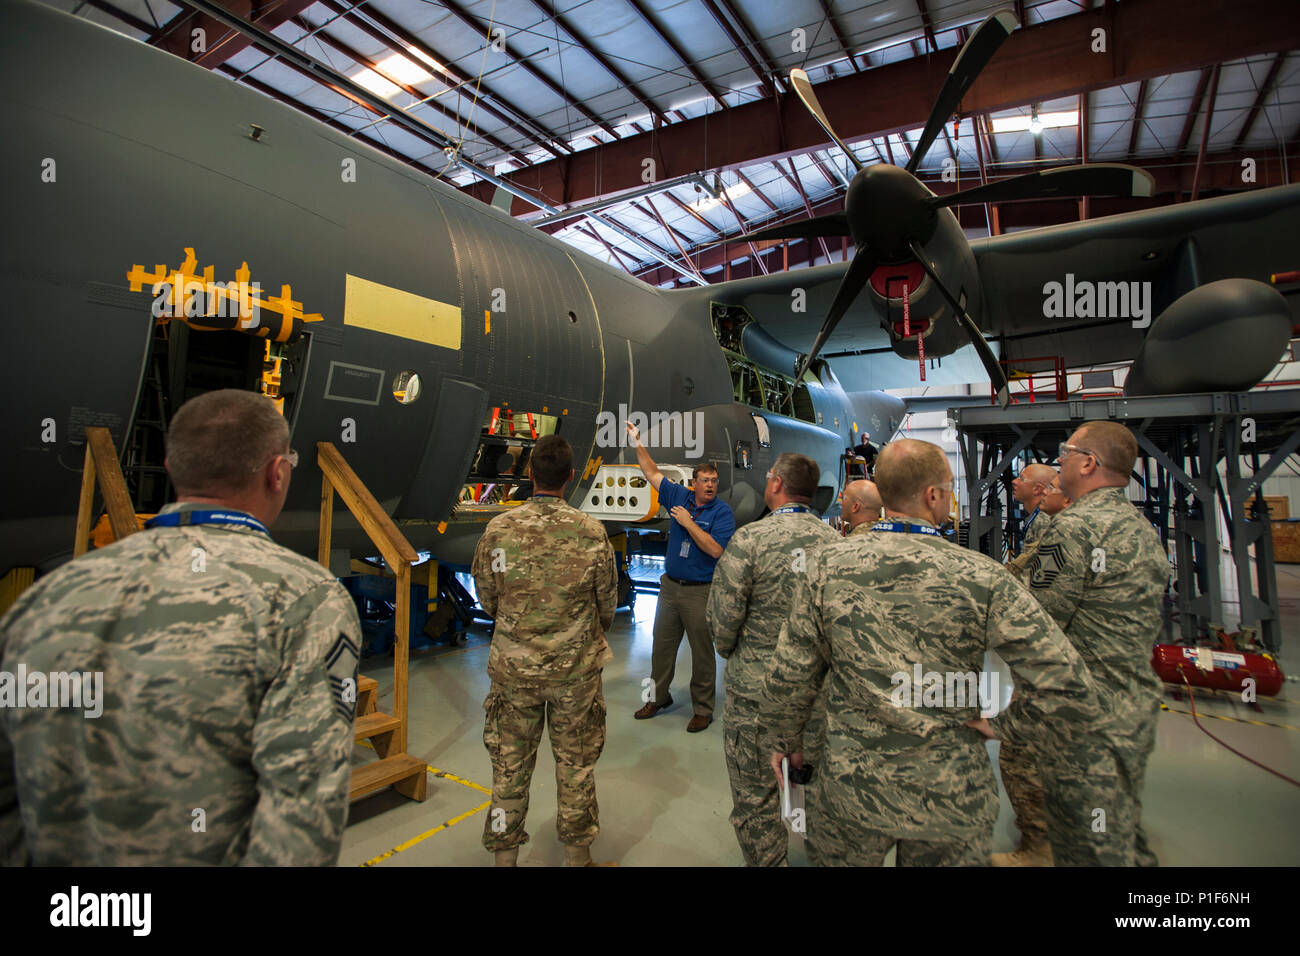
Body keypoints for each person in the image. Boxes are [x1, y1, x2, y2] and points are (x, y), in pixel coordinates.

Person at [0, 389, 361, 866]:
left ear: (171, 469)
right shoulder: (305, 600)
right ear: (278, 473)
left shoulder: (47, 597)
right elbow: (302, 816)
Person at [757, 438, 1103, 866]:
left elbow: (791, 670)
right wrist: (1006, 726)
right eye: (949, 487)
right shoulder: (983, 577)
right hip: (951, 798)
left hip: (852, 791)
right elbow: (1067, 681)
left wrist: (782, 739)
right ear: (933, 496)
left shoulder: (826, 567)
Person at [1022, 421, 1169, 867]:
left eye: (1065, 452)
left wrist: (1010, 720)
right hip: (1129, 708)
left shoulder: (1073, 529)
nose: (1058, 461)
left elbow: (1039, 629)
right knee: (1118, 830)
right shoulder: (1136, 527)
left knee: (1090, 846)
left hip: (1084, 720)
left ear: (1088, 463)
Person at [471, 435, 618, 867]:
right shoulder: (591, 531)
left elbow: (486, 596)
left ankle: (505, 859)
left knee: (508, 768)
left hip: (514, 671)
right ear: (571, 477)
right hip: (575, 673)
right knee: (575, 765)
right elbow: (607, 602)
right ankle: (577, 857)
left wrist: (519, 626)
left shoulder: (499, 528)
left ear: (530, 475)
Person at [706, 453, 837, 866]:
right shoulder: (836, 544)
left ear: (777, 484)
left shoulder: (750, 541)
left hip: (756, 698)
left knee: (755, 799)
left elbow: (723, 622)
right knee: (816, 793)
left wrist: (734, 653)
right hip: (817, 700)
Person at [626, 422, 735, 732]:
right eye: (705, 481)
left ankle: (702, 709)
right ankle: (656, 698)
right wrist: (637, 443)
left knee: (702, 654)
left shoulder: (722, 513)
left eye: (714, 481)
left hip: (700, 592)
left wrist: (688, 524)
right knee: (660, 648)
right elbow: (651, 472)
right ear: (693, 482)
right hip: (670, 588)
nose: (711, 486)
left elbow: (715, 550)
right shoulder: (678, 495)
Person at [1011, 463, 1057, 554]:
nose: (1014, 481)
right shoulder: (1037, 517)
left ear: (1037, 489)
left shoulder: (1043, 521)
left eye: (1021, 478)